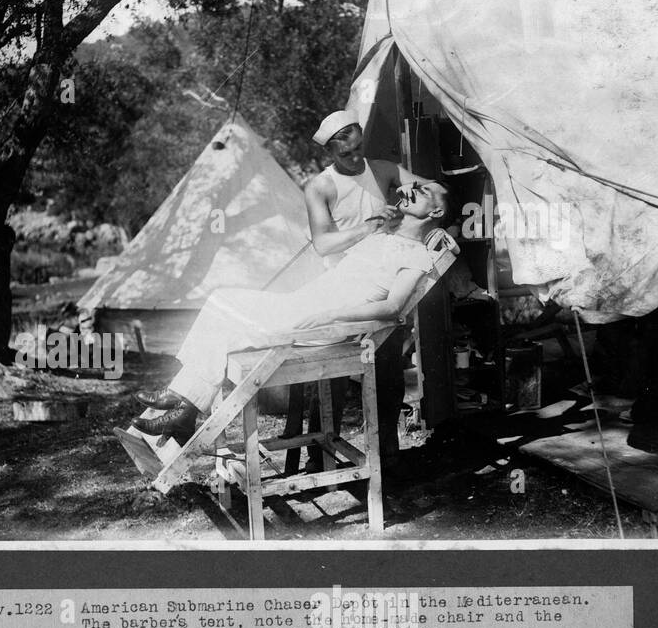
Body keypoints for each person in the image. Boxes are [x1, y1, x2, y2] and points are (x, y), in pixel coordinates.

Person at [129, 181, 454, 446]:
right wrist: (371, 227)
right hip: (302, 304)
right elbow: (329, 253)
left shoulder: (416, 256)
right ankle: (183, 406)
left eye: (424, 191)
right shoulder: (381, 237)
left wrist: (332, 316)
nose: (411, 188)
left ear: (436, 210)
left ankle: (183, 406)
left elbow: (393, 307)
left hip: (321, 323)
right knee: (219, 300)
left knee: (223, 315)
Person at [303, 110, 423, 473]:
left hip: (379, 283)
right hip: (341, 285)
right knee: (331, 379)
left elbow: (428, 189)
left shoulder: (381, 169)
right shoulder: (320, 187)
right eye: (346, 155)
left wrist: (406, 206)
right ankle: (319, 460)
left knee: (387, 372)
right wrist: (370, 228)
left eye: (358, 149)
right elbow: (323, 245)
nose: (355, 159)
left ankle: (387, 457)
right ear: (330, 154)